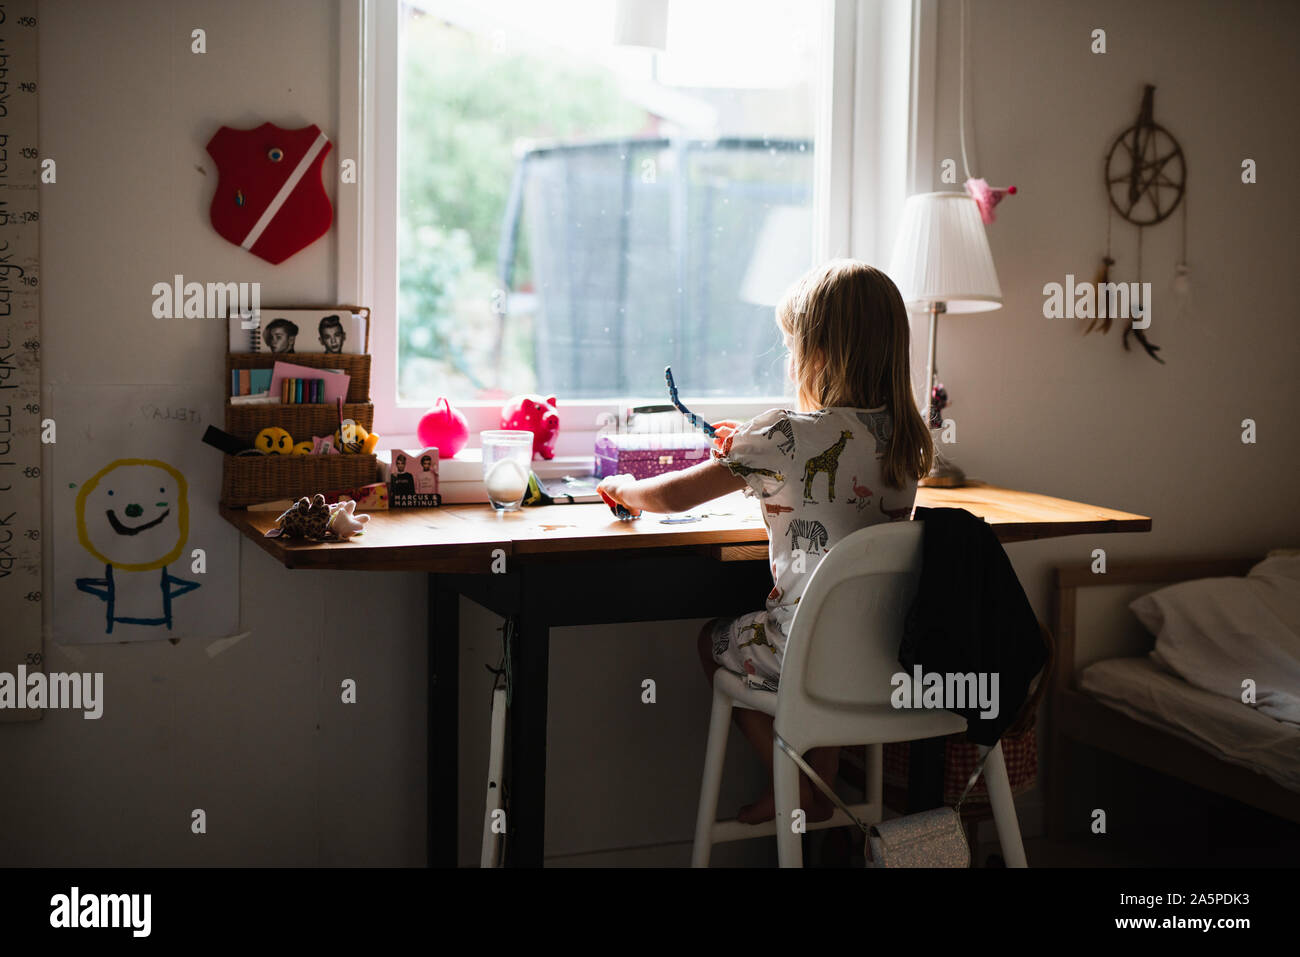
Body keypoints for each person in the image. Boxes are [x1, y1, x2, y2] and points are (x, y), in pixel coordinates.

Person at [597, 260, 934, 824]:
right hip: (885, 652)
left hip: (805, 650)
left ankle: (793, 783)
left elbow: (676, 497)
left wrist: (626, 490)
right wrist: (747, 454)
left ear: (819, 353)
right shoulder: (904, 438)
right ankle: (818, 783)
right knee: (828, 655)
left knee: (714, 640)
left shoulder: (784, 434)